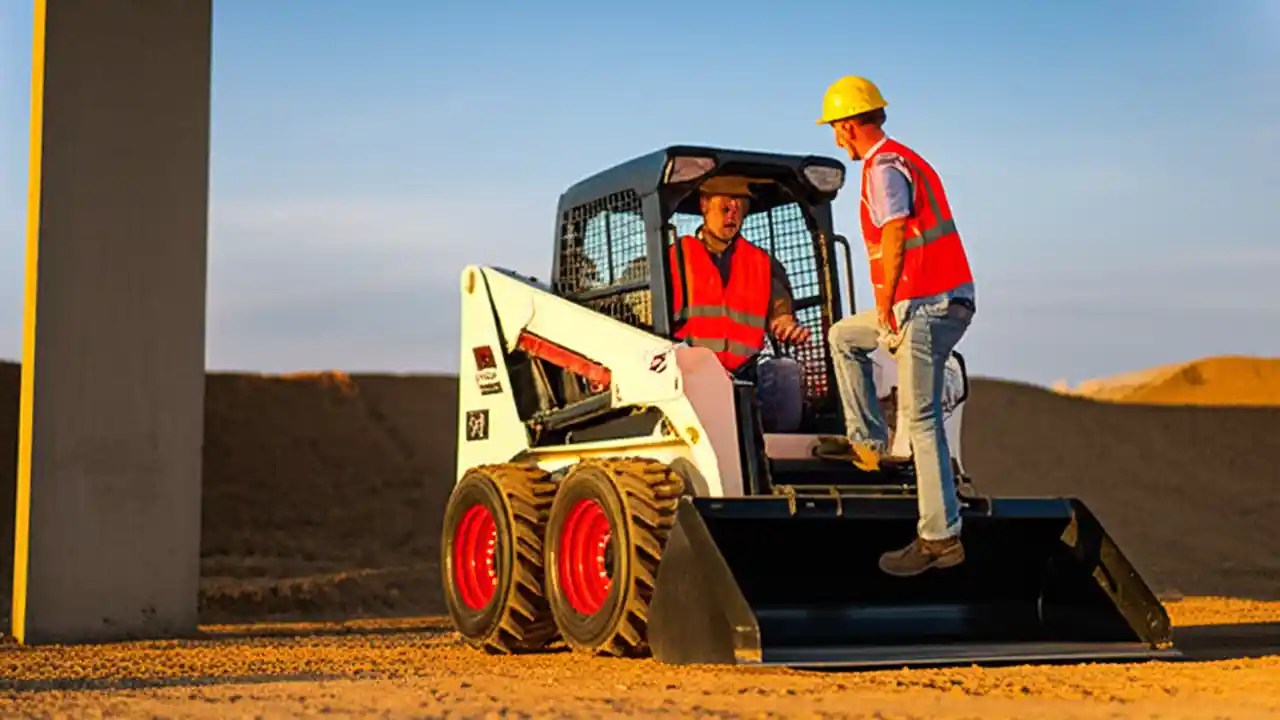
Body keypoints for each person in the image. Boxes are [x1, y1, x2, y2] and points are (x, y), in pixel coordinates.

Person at [815, 75, 977, 577]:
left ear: (846, 125)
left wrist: (885, 300)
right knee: (844, 336)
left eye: (835, 128)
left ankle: (939, 536)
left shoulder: (883, 167)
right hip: (932, 303)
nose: (835, 137)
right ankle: (867, 443)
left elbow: (893, 230)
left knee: (922, 418)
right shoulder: (905, 158)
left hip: (925, 305)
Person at [669, 177, 810, 432]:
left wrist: (784, 323)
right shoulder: (672, 259)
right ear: (704, 205)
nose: (732, 215)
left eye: (740, 208)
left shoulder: (762, 263)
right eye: (725, 207)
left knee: (785, 371)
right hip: (689, 378)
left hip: (746, 378)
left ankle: (778, 456)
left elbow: (780, 308)